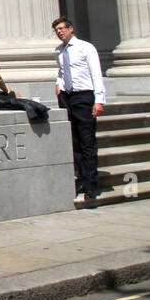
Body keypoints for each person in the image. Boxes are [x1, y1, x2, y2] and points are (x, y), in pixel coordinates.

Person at [53, 16, 106, 204]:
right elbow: (61, 71)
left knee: (87, 141)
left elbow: (95, 74)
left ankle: (91, 183)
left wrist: (99, 100)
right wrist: (59, 85)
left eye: (62, 28)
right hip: (67, 97)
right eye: (57, 30)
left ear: (71, 29)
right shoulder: (58, 51)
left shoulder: (86, 47)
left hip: (84, 96)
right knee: (74, 140)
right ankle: (81, 179)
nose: (59, 32)